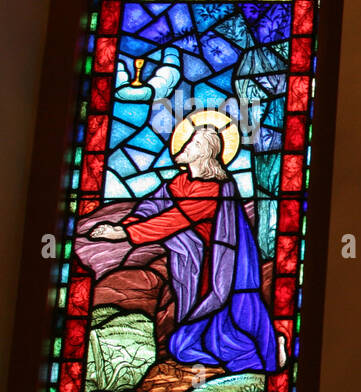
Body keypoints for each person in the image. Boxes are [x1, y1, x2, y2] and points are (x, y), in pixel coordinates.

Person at [88, 116, 283, 372]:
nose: (184, 146)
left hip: (218, 278)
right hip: (195, 273)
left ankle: (259, 362)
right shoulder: (180, 183)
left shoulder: (215, 189)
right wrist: (130, 222)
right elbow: (152, 205)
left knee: (212, 340)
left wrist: (123, 233)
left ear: (203, 152)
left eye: (191, 143)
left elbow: (176, 219)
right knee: (182, 347)